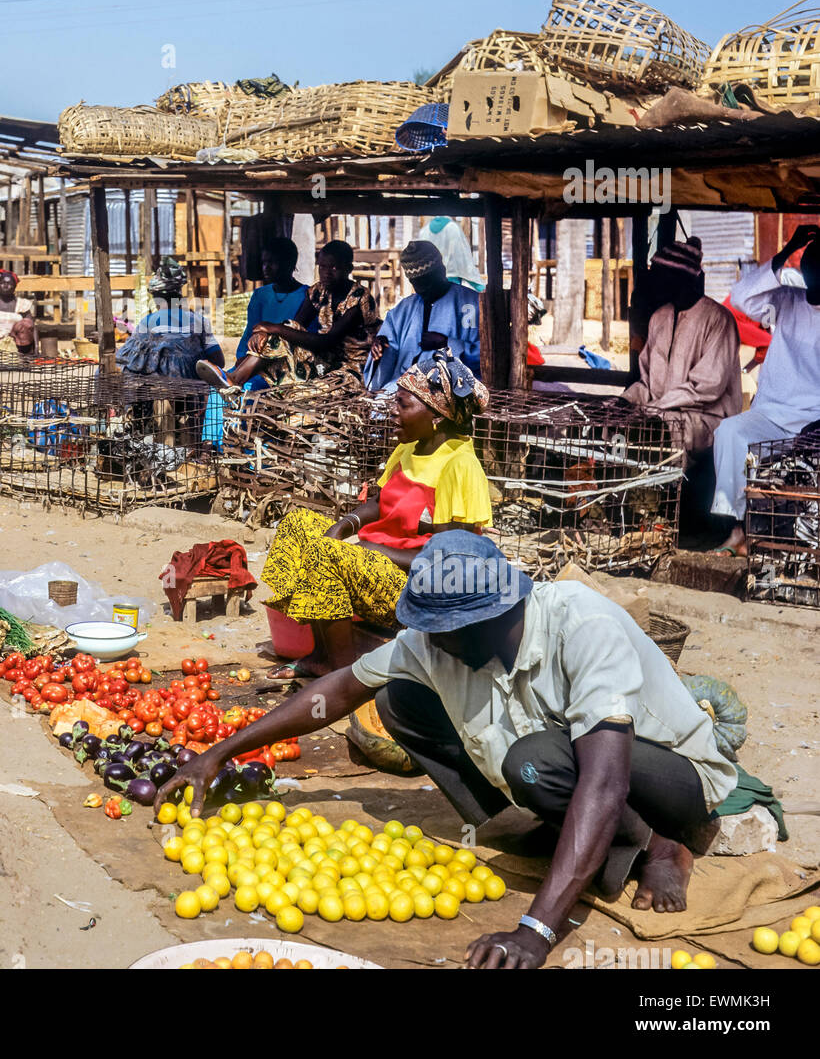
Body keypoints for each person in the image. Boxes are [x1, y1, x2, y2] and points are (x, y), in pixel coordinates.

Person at [159, 529, 739, 969]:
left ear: (486, 616)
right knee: (398, 702)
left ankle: (657, 845)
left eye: (441, 632)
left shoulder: (581, 626)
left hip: (673, 776)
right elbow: (337, 692)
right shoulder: (444, 643)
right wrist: (221, 752)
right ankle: (559, 831)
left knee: (533, 761)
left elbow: (605, 780)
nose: (428, 642)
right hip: (565, 764)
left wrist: (534, 932)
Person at [261, 349, 491, 674]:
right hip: (377, 564)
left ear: (437, 416)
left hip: (415, 589)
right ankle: (319, 649)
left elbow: (448, 562)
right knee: (299, 525)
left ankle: (340, 670)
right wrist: (345, 526)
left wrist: (371, 550)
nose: (393, 411)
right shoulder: (409, 447)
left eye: (403, 404)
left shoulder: (460, 466)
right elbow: (382, 502)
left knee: (328, 555)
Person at [711, 224, 820, 555]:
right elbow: (743, 296)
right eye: (812, 270)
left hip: (815, 420)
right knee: (729, 432)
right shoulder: (788, 302)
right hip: (773, 414)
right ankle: (737, 531)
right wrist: (786, 252)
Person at [197, 240, 378, 389]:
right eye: (322, 267)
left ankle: (235, 378)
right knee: (287, 329)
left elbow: (326, 341)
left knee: (282, 336)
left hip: (349, 366)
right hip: (325, 361)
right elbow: (295, 326)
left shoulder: (358, 297)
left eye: (334, 268)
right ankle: (234, 378)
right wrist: (266, 332)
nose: (326, 273)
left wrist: (272, 327)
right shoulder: (318, 291)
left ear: (348, 268)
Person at [622, 239, 741, 453]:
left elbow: (706, 388)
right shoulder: (659, 317)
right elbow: (647, 383)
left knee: (656, 432)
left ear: (678, 279)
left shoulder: (718, 319)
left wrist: (654, 410)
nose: (653, 282)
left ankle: (662, 485)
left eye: (659, 275)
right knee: (615, 424)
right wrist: (625, 401)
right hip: (659, 412)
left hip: (705, 418)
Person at [364, 239, 480, 393]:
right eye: (417, 283)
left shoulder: (473, 303)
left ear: (442, 271)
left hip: (452, 387)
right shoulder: (402, 310)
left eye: (428, 281)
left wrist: (447, 343)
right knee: (379, 408)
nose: (424, 289)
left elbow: (488, 353)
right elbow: (387, 352)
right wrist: (381, 349)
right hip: (403, 385)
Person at [117, 257, 225, 378]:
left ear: (156, 298)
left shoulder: (147, 322)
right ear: (179, 295)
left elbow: (129, 360)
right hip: (194, 388)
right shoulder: (199, 321)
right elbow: (219, 361)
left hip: (159, 390)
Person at [417, 215, 485, 292]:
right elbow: (463, 259)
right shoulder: (453, 228)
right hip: (451, 282)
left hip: (429, 283)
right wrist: (479, 286)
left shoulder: (424, 231)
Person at [0, 269, 37, 358]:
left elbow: (32, 327)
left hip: (15, 342)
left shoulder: (22, 304)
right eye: (2, 283)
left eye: (9, 284)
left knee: (26, 323)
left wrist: (36, 348)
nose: (5, 286)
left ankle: (24, 354)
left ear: (15, 287)